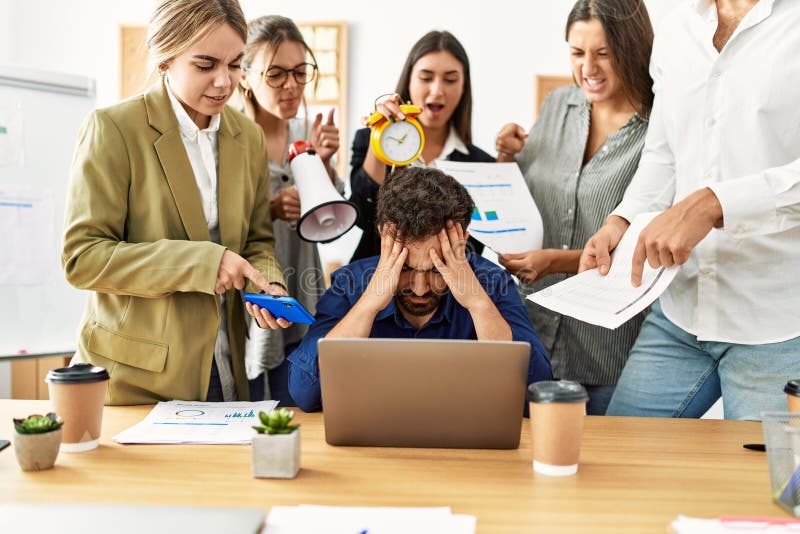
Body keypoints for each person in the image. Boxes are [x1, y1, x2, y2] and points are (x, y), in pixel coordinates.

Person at [61, 0, 292, 405]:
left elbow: (257, 240)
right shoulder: (114, 129)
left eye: (236, 65)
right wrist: (205, 263)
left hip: (225, 367)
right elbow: (83, 258)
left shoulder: (248, 136)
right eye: (205, 65)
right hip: (134, 376)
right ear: (165, 59)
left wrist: (268, 283)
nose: (225, 82)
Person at [579, 0, 800, 420]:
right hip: (679, 312)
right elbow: (664, 157)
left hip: (780, 326)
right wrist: (621, 221)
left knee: (768, 486)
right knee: (620, 468)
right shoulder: (676, 30)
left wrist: (715, 202)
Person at [494, 0, 654, 415]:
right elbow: (524, 201)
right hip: (532, 331)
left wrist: (556, 262)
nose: (589, 68)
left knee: (604, 470)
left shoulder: (658, 129)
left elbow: (646, 243)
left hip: (605, 346)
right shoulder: (558, 105)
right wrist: (505, 158)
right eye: (577, 53)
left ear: (633, 48)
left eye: (603, 53)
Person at [286, 166, 552, 412]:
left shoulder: (492, 284)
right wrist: (369, 304)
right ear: (383, 237)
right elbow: (304, 393)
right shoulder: (350, 284)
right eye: (405, 268)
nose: (421, 289)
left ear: (462, 240)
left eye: (438, 269)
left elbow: (536, 396)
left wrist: (478, 304)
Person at [236, 15, 344, 404]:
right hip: (250, 296)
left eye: (301, 72)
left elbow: (332, 223)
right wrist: (270, 208)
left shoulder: (305, 135)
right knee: (247, 409)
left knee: (299, 404)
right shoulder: (229, 138)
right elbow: (213, 224)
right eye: (276, 74)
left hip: (301, 284)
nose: (291, 86)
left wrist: (325, 162)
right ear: (244, 75)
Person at [348, 30, 494, 262]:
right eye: (426, 78)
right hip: (376, 281)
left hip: (447, 292)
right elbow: (363, 218)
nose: (437, 90)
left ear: (464, 86)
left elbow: (474, 245)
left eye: (450, 79)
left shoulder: (482, 164)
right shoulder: (369, 140)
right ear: (408, 81)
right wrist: (381, 136)